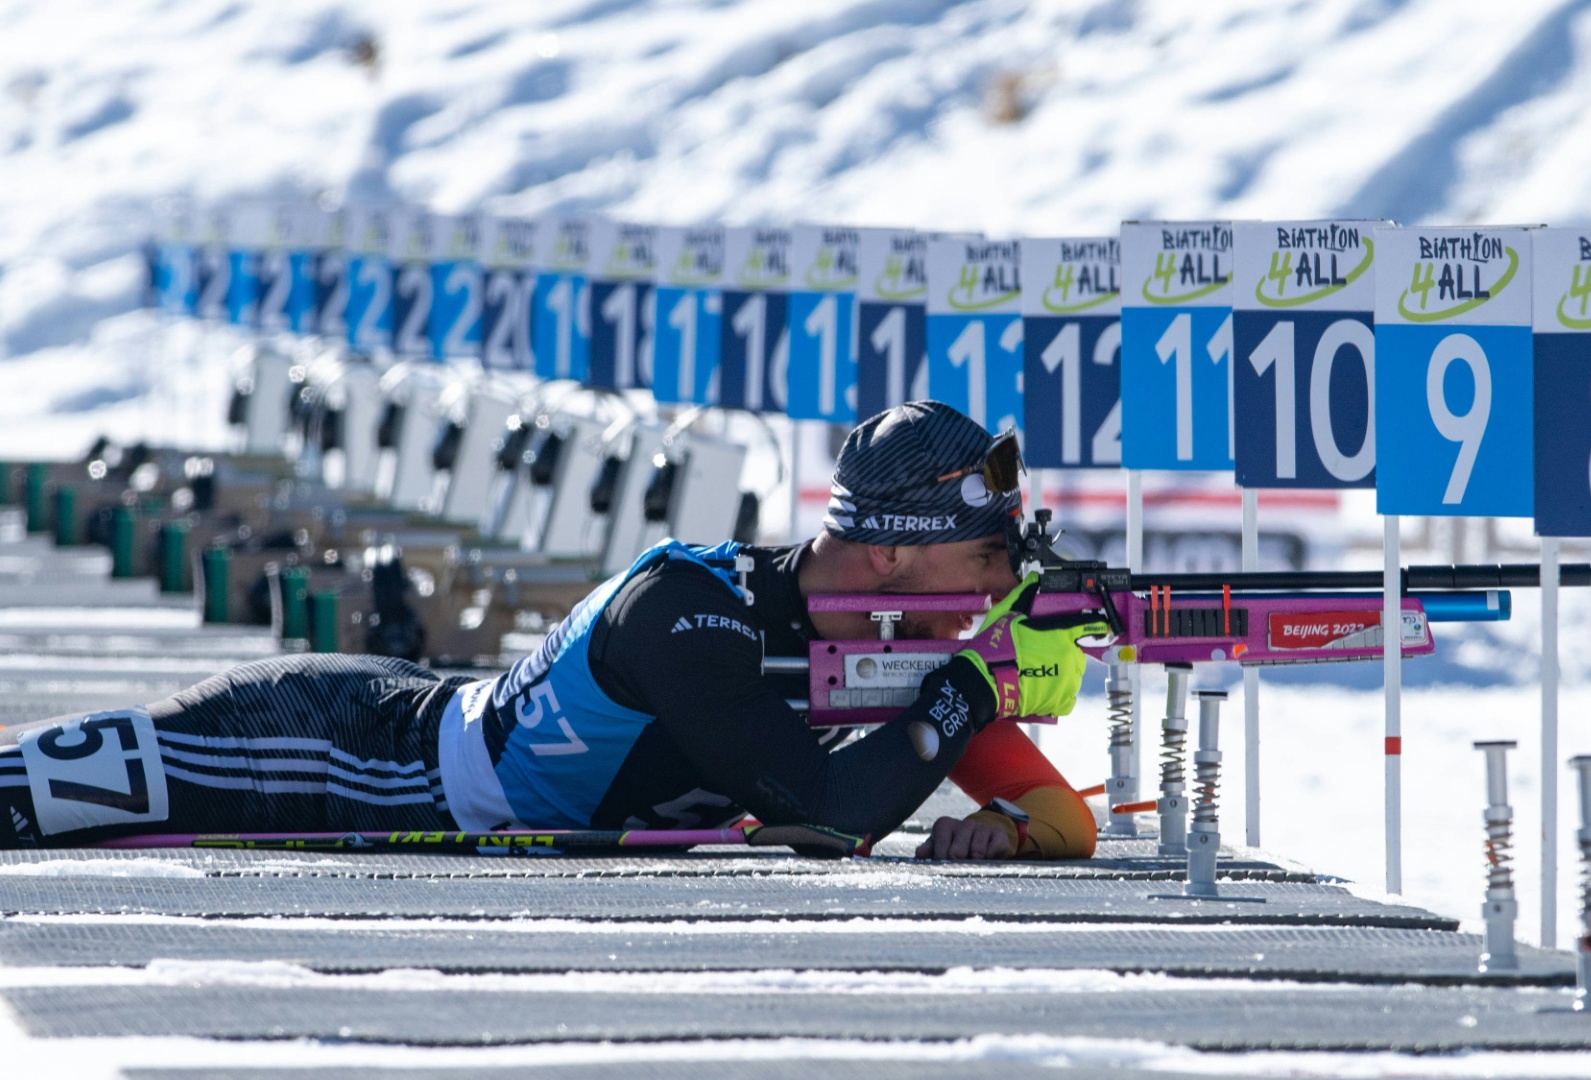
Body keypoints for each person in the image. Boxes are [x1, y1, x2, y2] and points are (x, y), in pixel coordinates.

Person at [0, 401, 1104, 861]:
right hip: (337, 755)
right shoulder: (689, 607)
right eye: (986, 561)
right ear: (894, 551)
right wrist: (971, 690)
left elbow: (1068, 822)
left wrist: (1002, 830)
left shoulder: (907, 643)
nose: (996, 591)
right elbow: (832, 812)